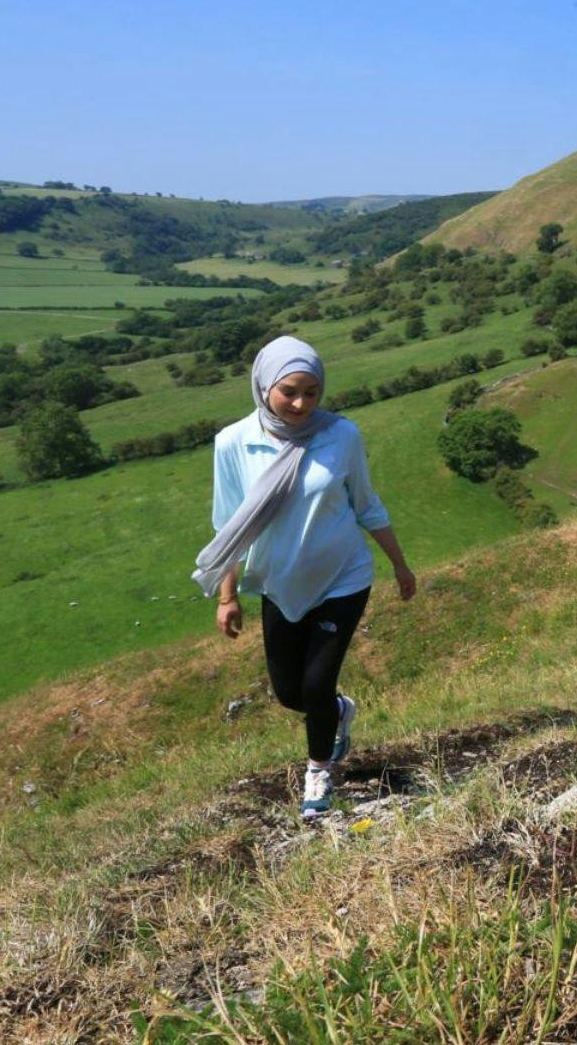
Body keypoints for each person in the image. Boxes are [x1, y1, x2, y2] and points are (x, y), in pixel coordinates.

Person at [194, 336, 417, 819]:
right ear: (263, 386)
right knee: (289, 693)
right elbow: (229, 526)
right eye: (289, 391)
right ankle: (336, 713)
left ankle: (320, 772)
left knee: (316, 684)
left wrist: (399, 565)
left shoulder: (341, 436)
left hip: (343, 577)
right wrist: (226, 596)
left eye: (312, 393)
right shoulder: (233, 443)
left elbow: (367, 504)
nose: (300, 404)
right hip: (280, 583)